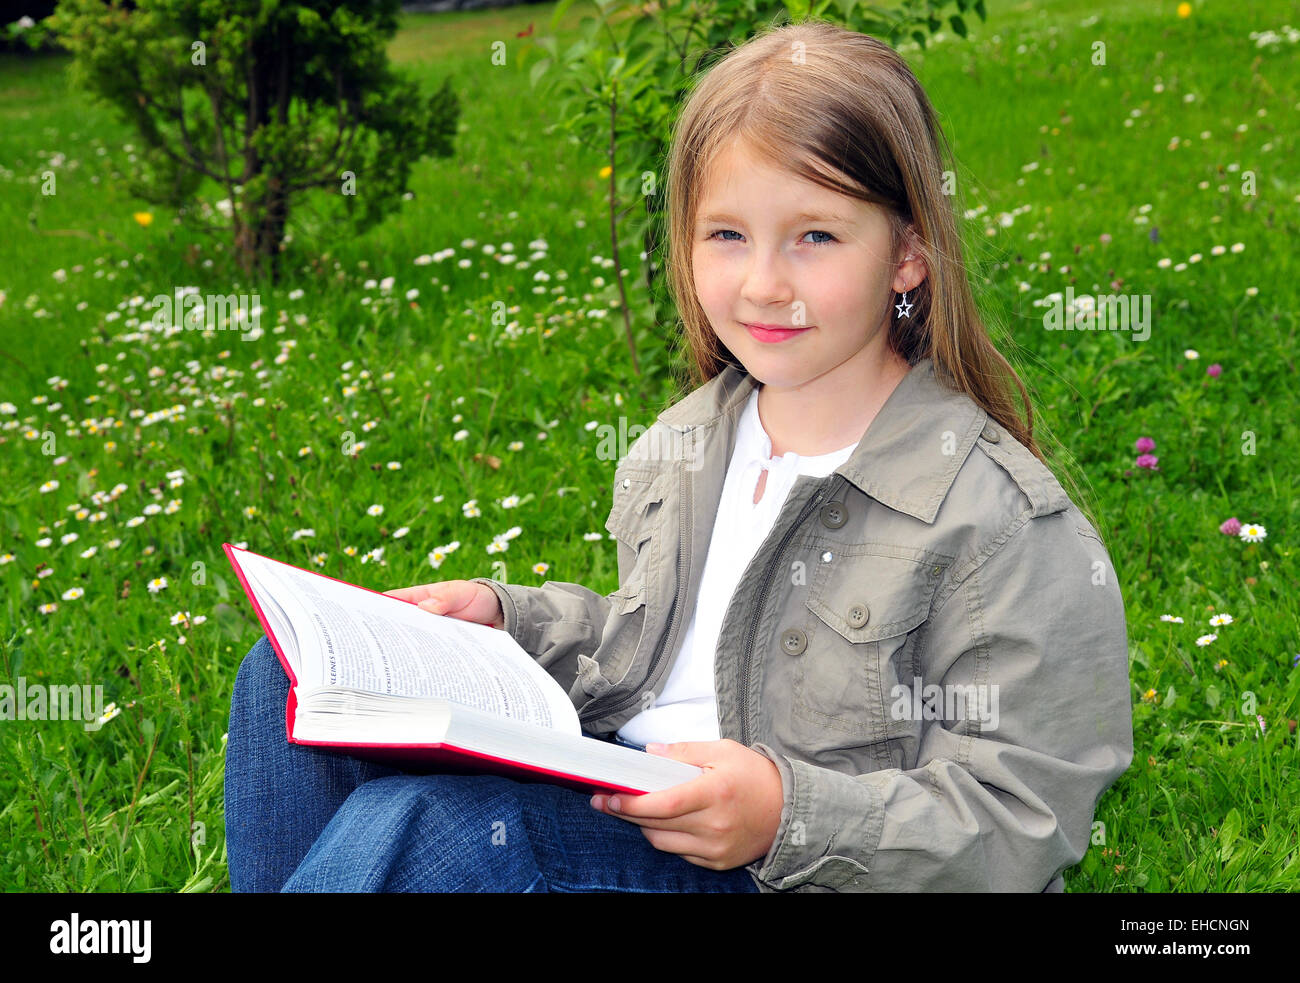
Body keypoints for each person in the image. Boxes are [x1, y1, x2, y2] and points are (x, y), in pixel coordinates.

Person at [225, 18, 1133, 893]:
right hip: (632, 784)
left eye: (814, 236)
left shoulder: (996, 516)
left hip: (785, 868)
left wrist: (787, 815)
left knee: (440, 831)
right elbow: (655, 650)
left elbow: (1022, 820)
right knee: (285, 681)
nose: (764, 282)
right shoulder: (690, 442)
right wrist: (509, 624)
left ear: (907, 255)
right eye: (727, 235)